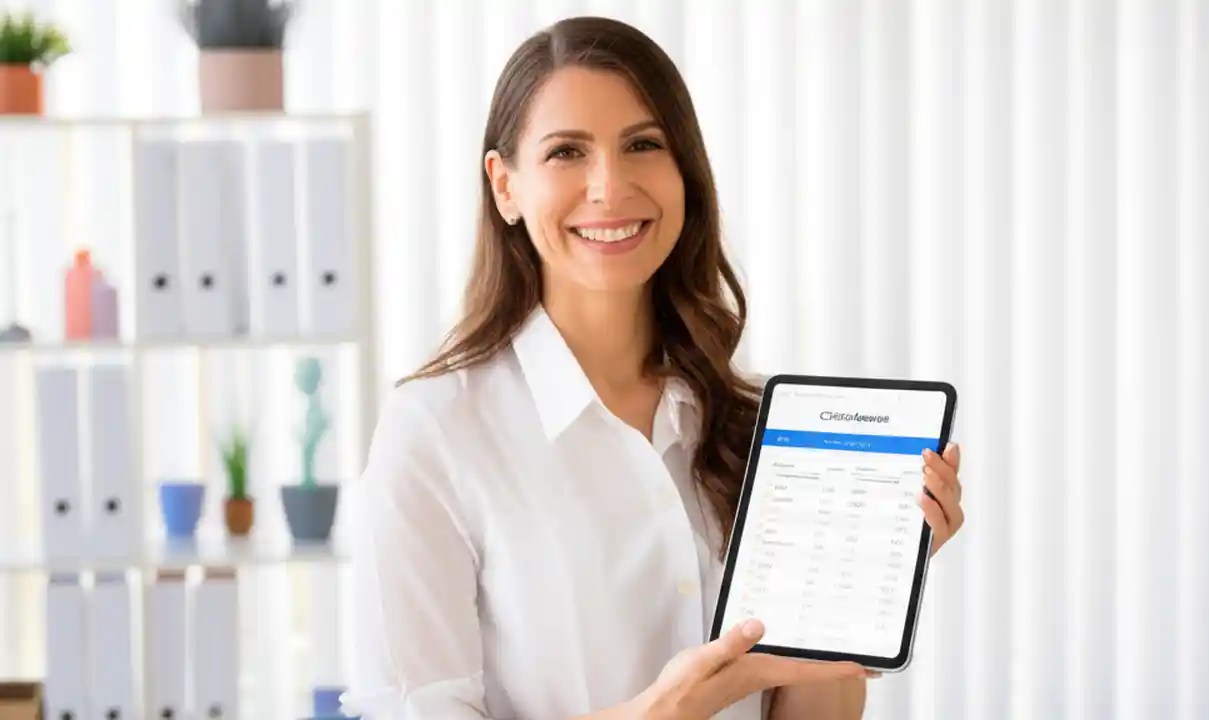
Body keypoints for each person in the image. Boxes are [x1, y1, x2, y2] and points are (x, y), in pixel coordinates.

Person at [343, 16, 966, 720]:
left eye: (642, 144)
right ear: (505, 186)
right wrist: (669, 709)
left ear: (685, 173)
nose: (609, 187)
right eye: (566, 153)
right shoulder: (436, 432)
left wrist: (855, 581)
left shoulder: (746, 420)